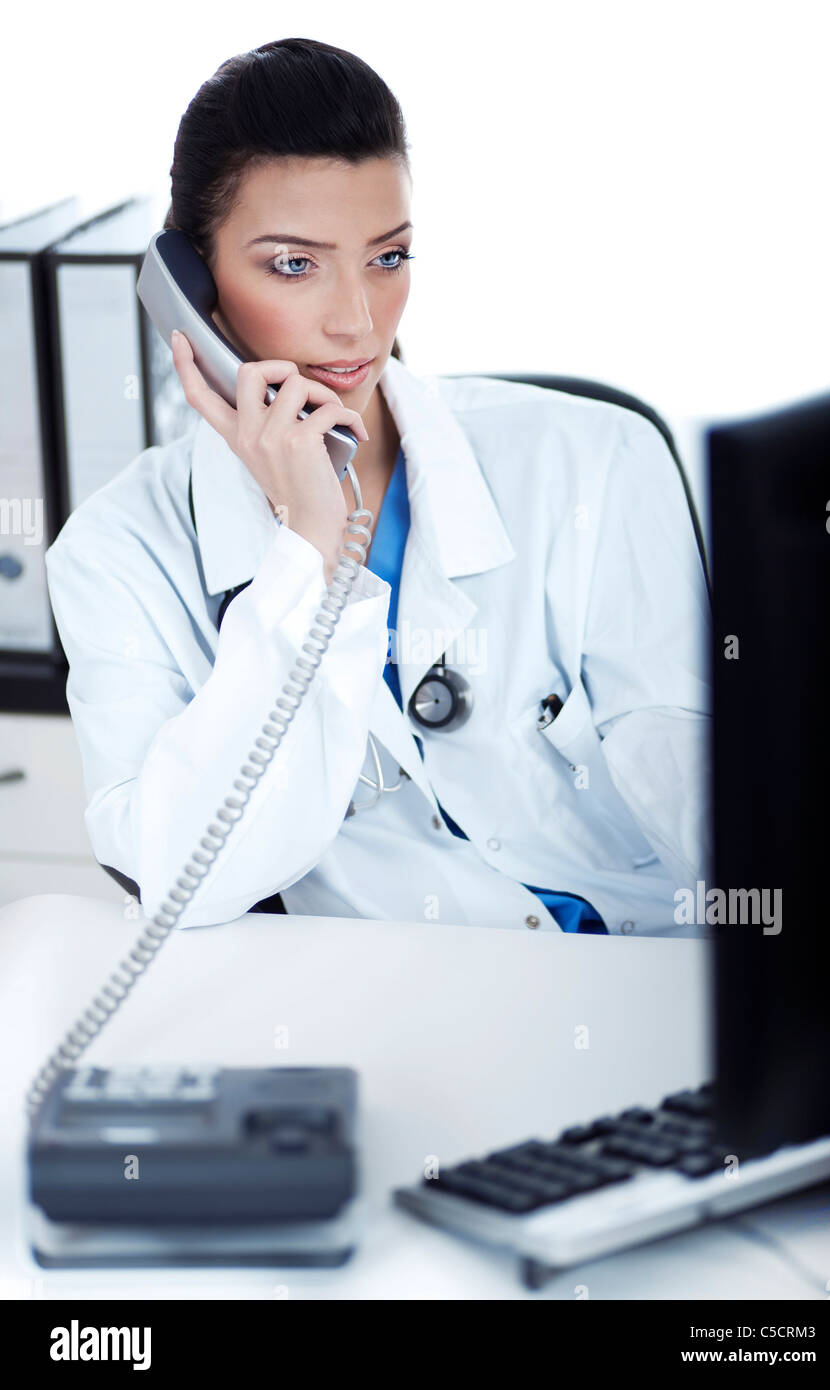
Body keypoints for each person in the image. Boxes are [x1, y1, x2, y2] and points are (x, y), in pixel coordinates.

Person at [45, 36, 712, 936]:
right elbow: (180, 877)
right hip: (396, 1011)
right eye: (294, 264)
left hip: (644, 976)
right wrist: (306, 551)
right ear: (190, 292)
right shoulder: (117, 552)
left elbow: (709, 791)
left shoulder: (597, 459)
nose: (358, 319)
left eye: (388, 257)